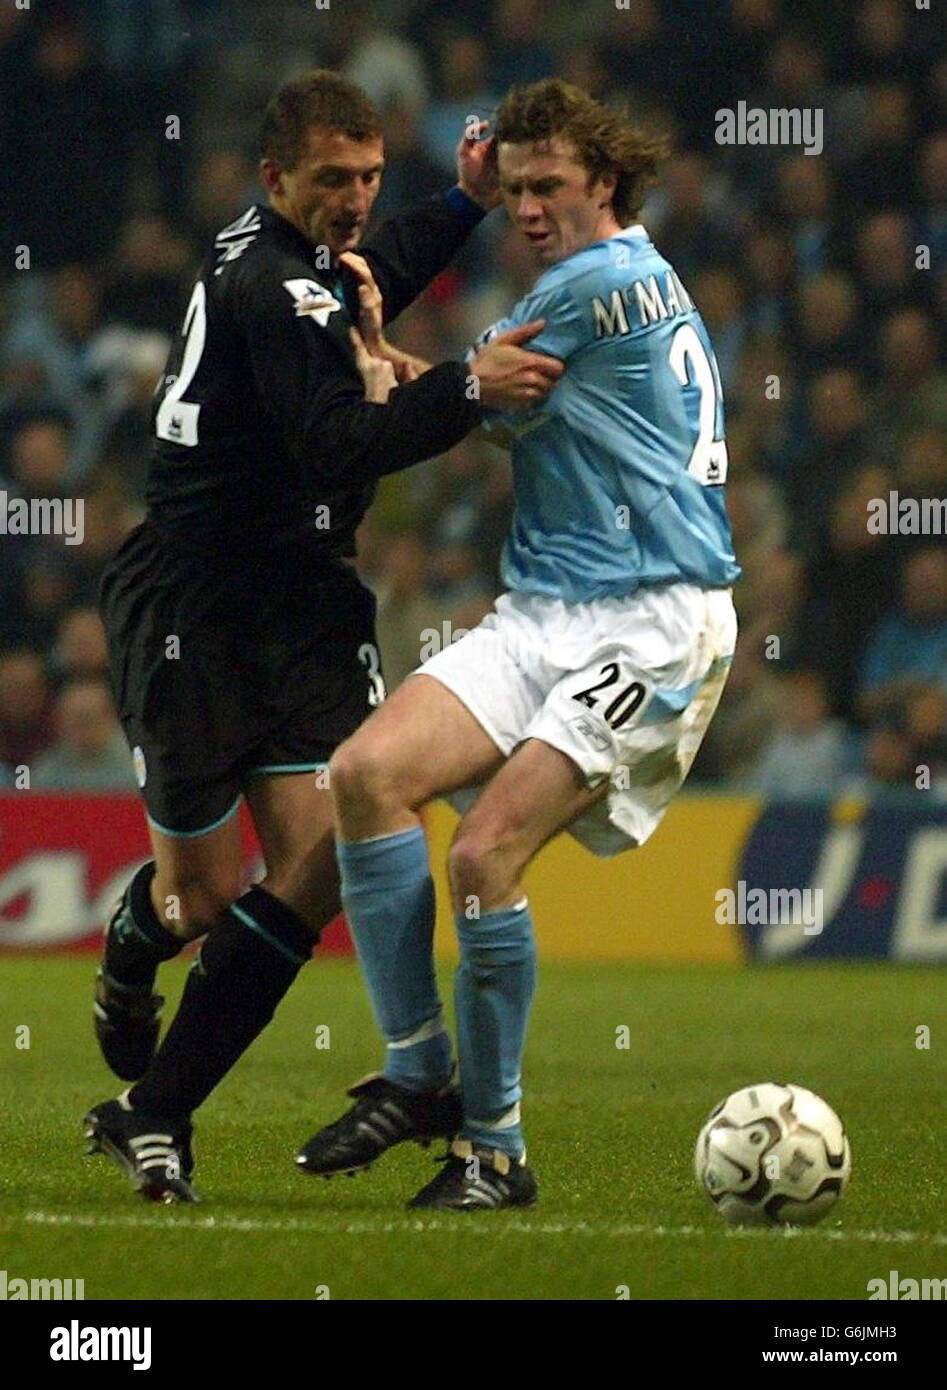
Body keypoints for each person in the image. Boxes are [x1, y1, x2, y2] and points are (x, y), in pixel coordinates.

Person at [83, 68, 563, 1202]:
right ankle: (136, 934)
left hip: (303, 603)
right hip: (195, 604)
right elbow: (343, 443)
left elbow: (370, 268)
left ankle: (154, 1112)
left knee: (318, 862)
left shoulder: (303, 254)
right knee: (200, 900)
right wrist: (467, 386)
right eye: (332, 180)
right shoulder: (260, 281)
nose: (354, 199)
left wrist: (464, 204)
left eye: (369, 176)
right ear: (273, 178)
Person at [296, 79, 741, 1210]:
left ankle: (492, 1150)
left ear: (603, 182)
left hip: (651, 621)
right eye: (515, 187)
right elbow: (459, 395)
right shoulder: (604, 281)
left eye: (548, 186)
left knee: (482, 856)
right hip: (544, 607)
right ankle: (417, 1073)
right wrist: (397, 361)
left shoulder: (593, 285)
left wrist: (367, 348)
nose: (528, 205)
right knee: (365, 774)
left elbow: (436, 399)